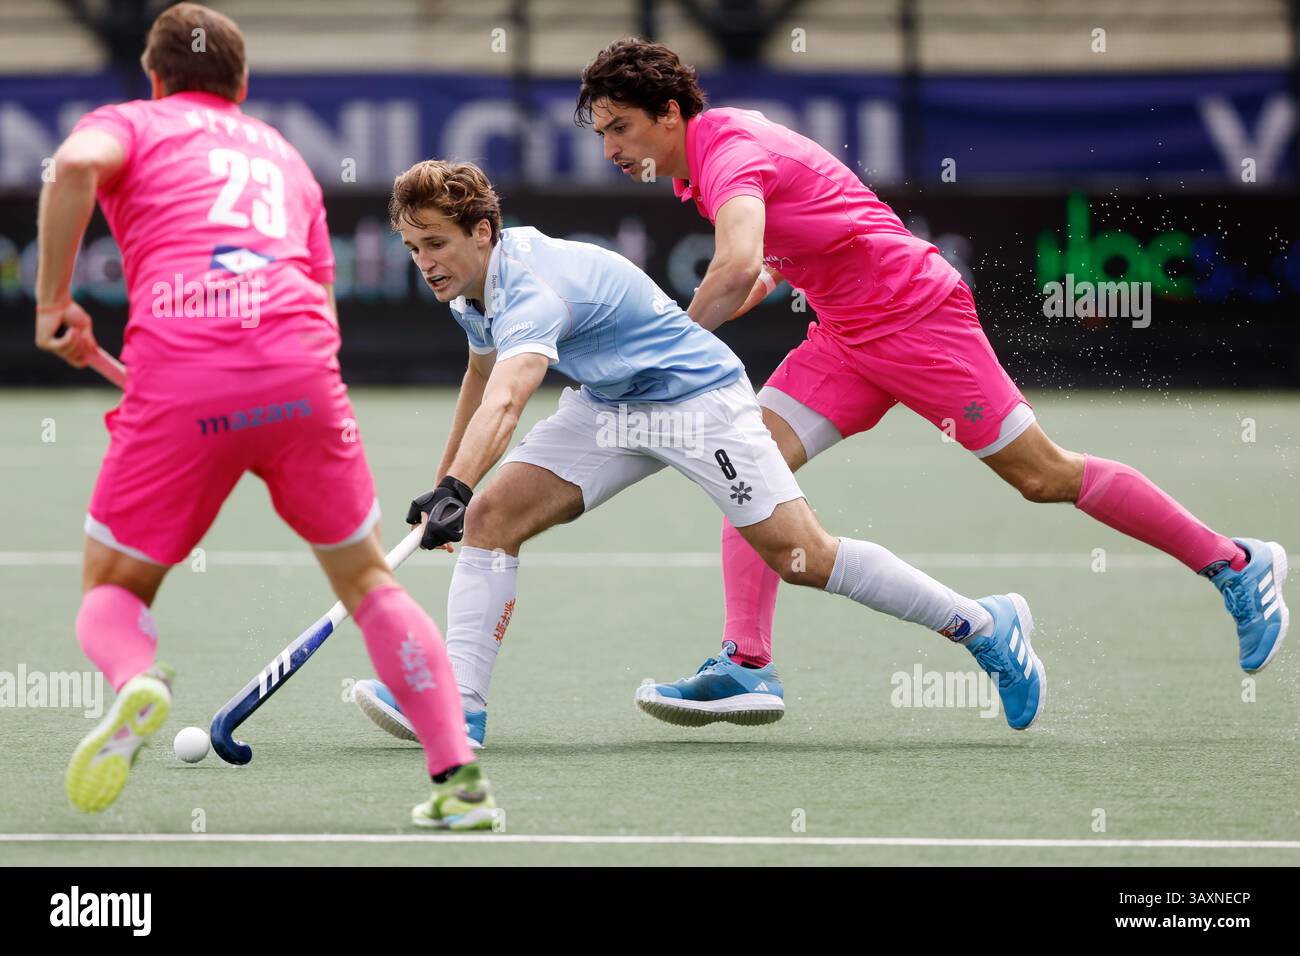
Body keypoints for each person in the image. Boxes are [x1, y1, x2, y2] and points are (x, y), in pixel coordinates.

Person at [569, 37, 1288, 725]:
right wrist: (762, 283)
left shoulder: (727, 150)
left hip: (917, 319)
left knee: (1042, 476)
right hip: (846, 335)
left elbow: (730, 266)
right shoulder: (705, 159)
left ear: (670, 114)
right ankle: (746, 662)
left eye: (621, 128)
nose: (610, 151)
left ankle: (1234, 563)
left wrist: (670, 356)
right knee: (749, 469)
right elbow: (779, 248)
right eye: (602, 134)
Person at [351, 159, 1045, 748]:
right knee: (492, 518)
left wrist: (458, 485)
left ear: (482, 232)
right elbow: (480, 373)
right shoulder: (470, 286)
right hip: (612, 404)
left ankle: (983, 623)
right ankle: (460, 706)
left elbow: (507, 398)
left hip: (696, 403)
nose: (424, 264)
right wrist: (452, 486)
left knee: (799, 553)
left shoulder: (533, 289)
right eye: (412, 248)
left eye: (435, 244)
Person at [35, 3, 496, 829]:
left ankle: (137, 679)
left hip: (181, 381)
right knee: (369, 585)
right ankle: (459, 783)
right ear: (241, 85)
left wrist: (56, 300)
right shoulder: (284, 155)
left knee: (112, 590)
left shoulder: (132, 122)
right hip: (302, 379)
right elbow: (323, 310)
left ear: (155, 78)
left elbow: (72, 167)